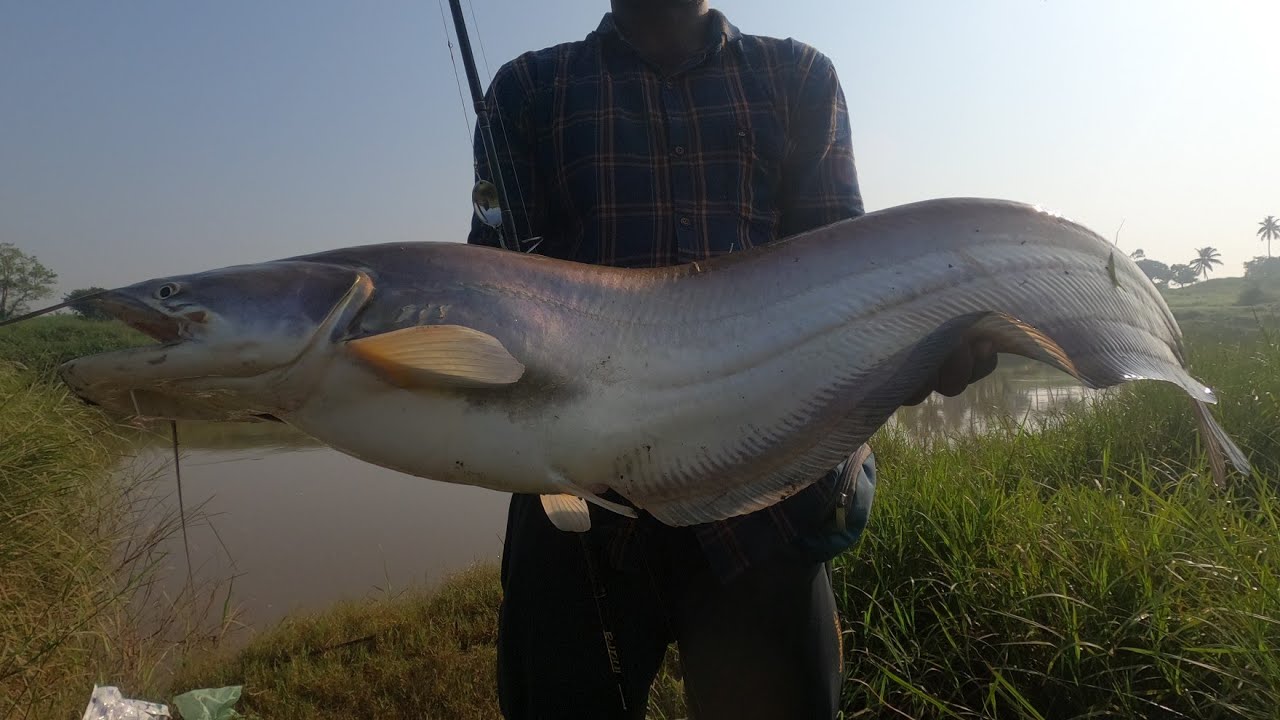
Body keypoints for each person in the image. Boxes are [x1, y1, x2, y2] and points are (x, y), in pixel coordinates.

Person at [466, 2, 996, 717]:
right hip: (578, 513)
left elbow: (845, 282)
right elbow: (491, 296)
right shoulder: (529, 89)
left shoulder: (798, 77)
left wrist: (917, 347)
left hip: (768, 508)